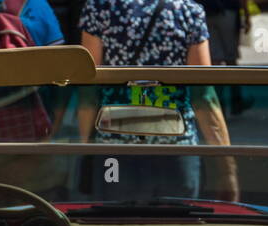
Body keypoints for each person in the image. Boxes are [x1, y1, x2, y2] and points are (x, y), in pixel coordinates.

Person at [79, 0, 240, 201]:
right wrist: (226, 171)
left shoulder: (100, 8)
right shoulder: (188, 12)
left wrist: (85, 149)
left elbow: (88, 88)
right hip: (175, 147)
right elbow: (203, 96)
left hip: (115, 148)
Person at [201, 0, 254, 114]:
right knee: (230, 59)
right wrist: (246, 14)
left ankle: (219, 103)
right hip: (228, 11)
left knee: (215, 60)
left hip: (206, 11)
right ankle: (236, 100)